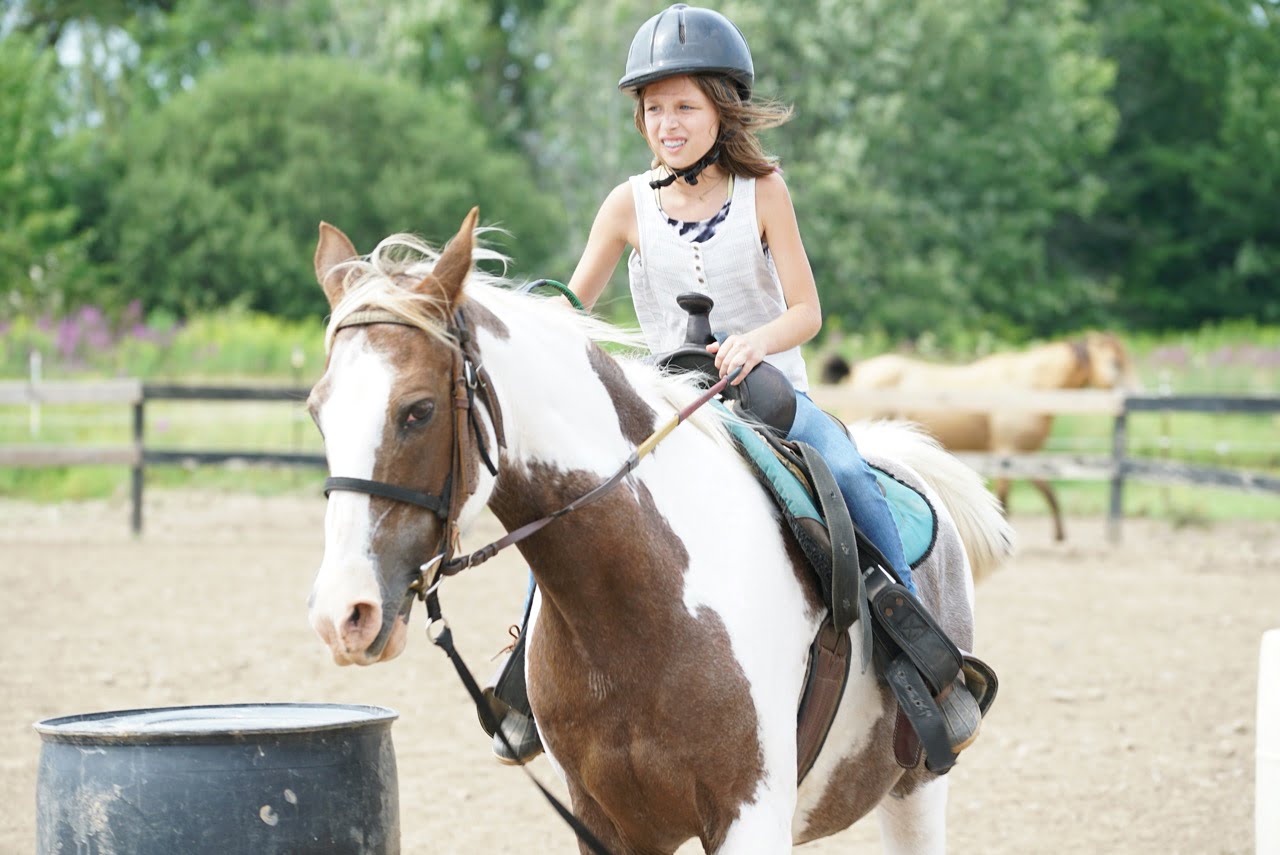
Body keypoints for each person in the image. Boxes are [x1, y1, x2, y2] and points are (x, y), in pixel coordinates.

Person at [489, 2, 982, 769]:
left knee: (849, 471)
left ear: (722, 108)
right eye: (654, 109)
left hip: (767, 394)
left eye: (684, 106)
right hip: (666, 404)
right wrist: (520, 318)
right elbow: (573, 301)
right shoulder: (626, 205)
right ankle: (525, 664)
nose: (668, 123)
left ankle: (917, 644)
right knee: (571, 496)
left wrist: (756, 340)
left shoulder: (764, 192)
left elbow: (808, 311)